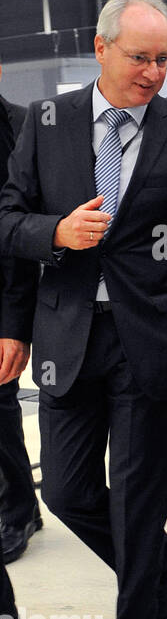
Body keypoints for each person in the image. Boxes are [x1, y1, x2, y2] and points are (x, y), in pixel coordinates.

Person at [0, 0, 167, 619]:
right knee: (66, 491)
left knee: (138, 502)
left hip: (152, 342)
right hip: (67, 335)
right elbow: (7, 219)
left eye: (165, 58)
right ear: (101, 49)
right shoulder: (47, 122)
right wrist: (52, 236)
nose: (155, 73)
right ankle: (164, 563)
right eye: (140, 58)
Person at [0, 57, 41, 566]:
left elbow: (19, 228)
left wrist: (14, 326)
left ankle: (19, 509)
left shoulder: (23, 124)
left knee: (1, 401)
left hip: (10, 283)